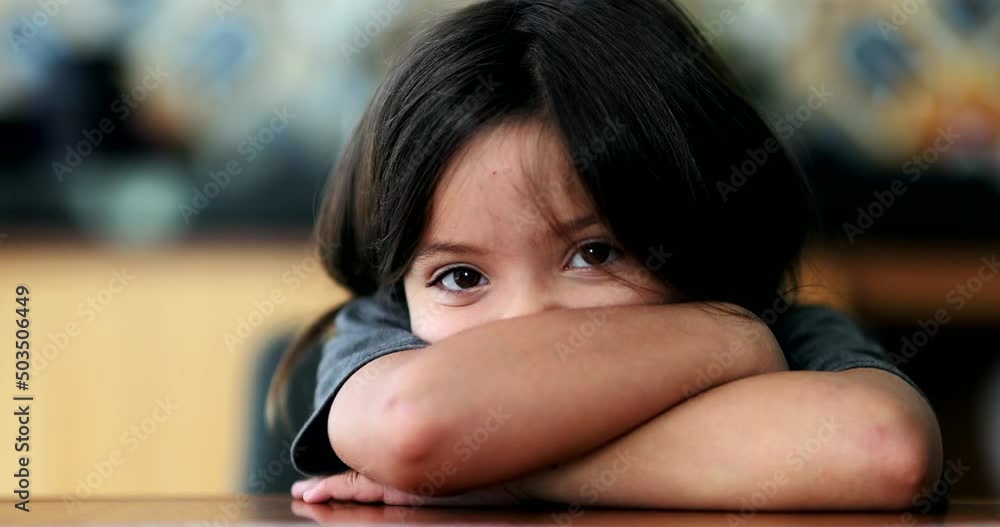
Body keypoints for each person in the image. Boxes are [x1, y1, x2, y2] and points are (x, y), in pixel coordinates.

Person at [269, 0, 942, 510]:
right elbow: (411, 426)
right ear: (402, 285)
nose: (531, 319)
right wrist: (728, 343)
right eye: (463, 275)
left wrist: (490, 467)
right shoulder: (385, 330)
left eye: (594, 253)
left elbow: (882, 450)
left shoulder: (782, 325)